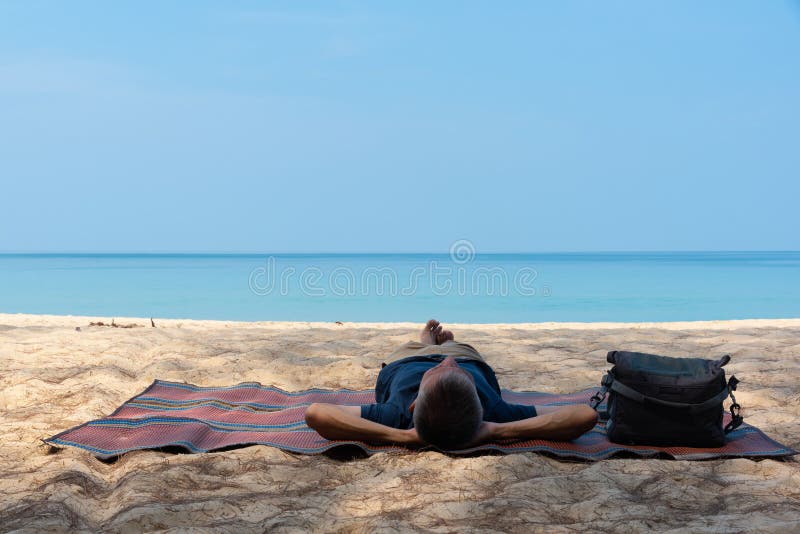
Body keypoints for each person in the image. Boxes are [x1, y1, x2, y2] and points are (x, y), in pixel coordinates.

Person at [305, 319, 598, 450]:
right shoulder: (494, 411)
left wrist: (405, 437)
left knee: (414, 348)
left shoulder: (397, 415)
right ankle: (447, 344)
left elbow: (317, 414)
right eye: (448, 370)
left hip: (405, 363)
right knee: (457, 350)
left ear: (415, 404)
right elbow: (585, 417)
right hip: (467, 360)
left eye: (442, 370)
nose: (444, 364)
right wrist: (498, 429)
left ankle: (424, 344)